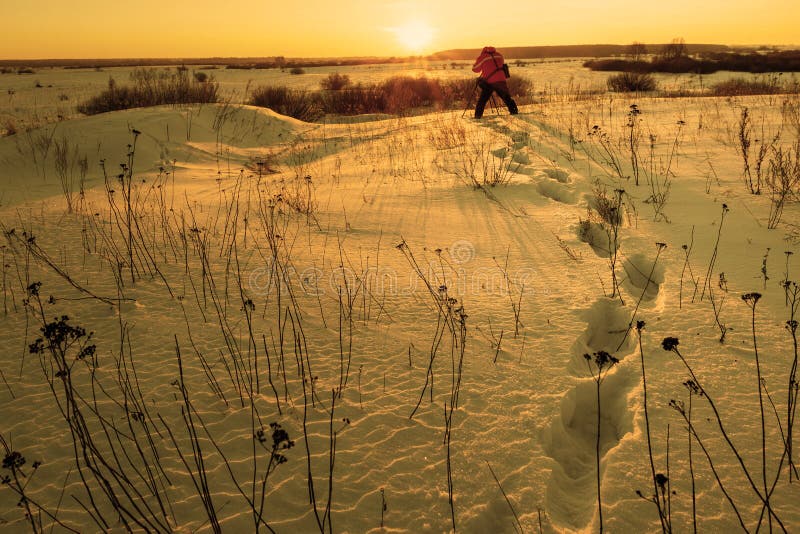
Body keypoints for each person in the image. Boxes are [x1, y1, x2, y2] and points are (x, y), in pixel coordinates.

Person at [471, 46, 518, 118]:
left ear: (483, 51)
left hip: (489, 81)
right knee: (506, 97)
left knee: (483, 99)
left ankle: (477, 116)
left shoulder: (482, 57)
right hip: (501, 79)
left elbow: (475, 69)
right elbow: (501, 64)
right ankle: (514, 111)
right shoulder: (499, 55)